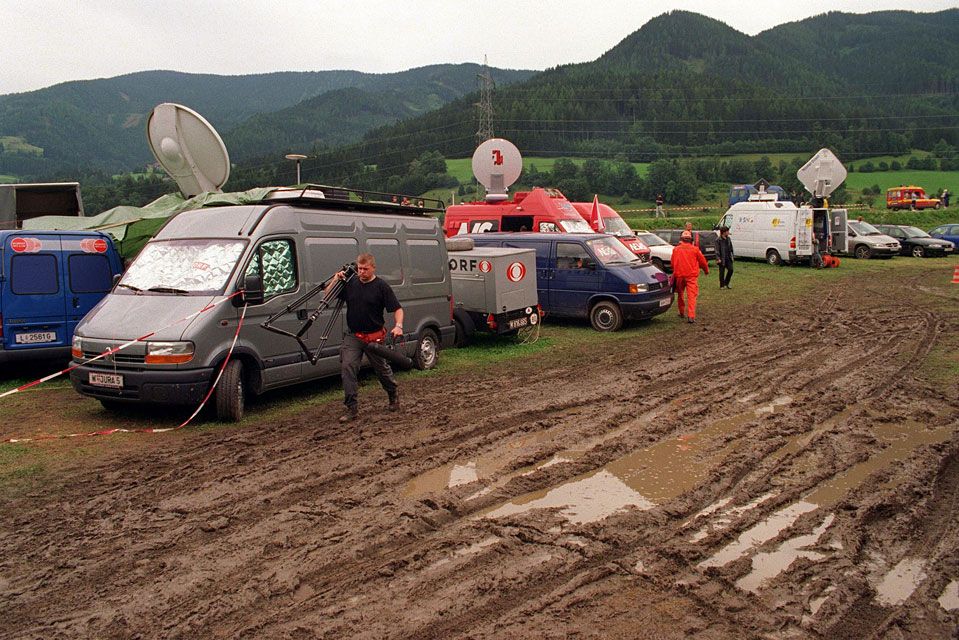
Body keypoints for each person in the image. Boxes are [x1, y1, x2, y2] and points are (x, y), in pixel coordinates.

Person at [325, 253, 404, 423]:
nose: (361, 272)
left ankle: (393, 394)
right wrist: (335, 279)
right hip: (353, 336)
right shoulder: (350, 283)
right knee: (348, 368)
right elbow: (327, 295)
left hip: (374, 338)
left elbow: (397, 309)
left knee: (382, 370)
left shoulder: (381, 286)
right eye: (360, 269)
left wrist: (399, 326)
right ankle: (351, 408)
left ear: (373, 268)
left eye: (365, 269)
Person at [671, 230, 709, 323]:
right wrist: (706, 271)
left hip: (679, 276)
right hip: (691, 277)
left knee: (680, 294)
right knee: (691, 296)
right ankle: (691, 316)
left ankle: (681, 312)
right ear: (690, 239)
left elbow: (672, 263)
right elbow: (703, 262)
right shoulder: (695, 249)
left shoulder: (676, 249)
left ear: (681, 239)